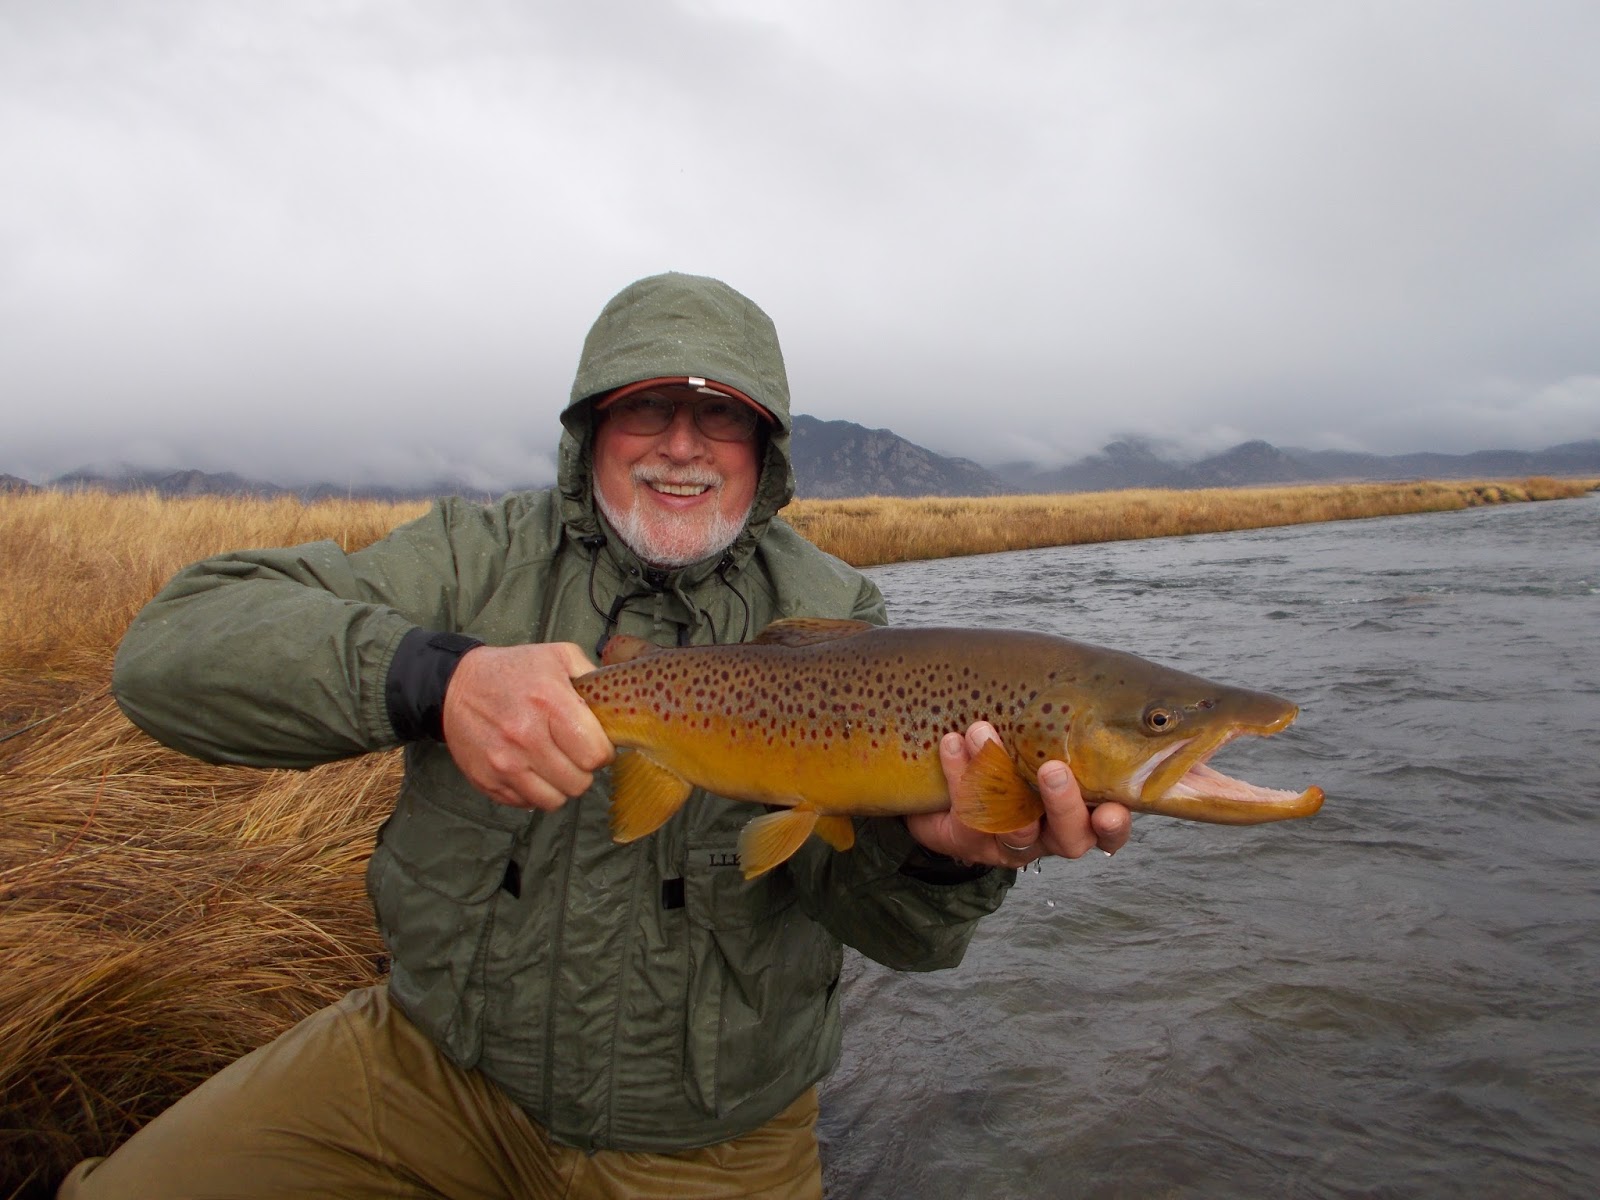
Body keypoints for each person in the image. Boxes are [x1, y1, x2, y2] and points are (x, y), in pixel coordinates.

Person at [60, 272, 1130, 1199]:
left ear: (764, 451)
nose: (681, 446)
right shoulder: (474, 556)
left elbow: (897, 938)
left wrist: (942, 862)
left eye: (719, 418)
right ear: (589, 433)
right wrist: (438, 679)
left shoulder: (837, 614)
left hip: (709, 1138)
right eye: (646, 409)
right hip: (432, 1070)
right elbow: (169, 651)